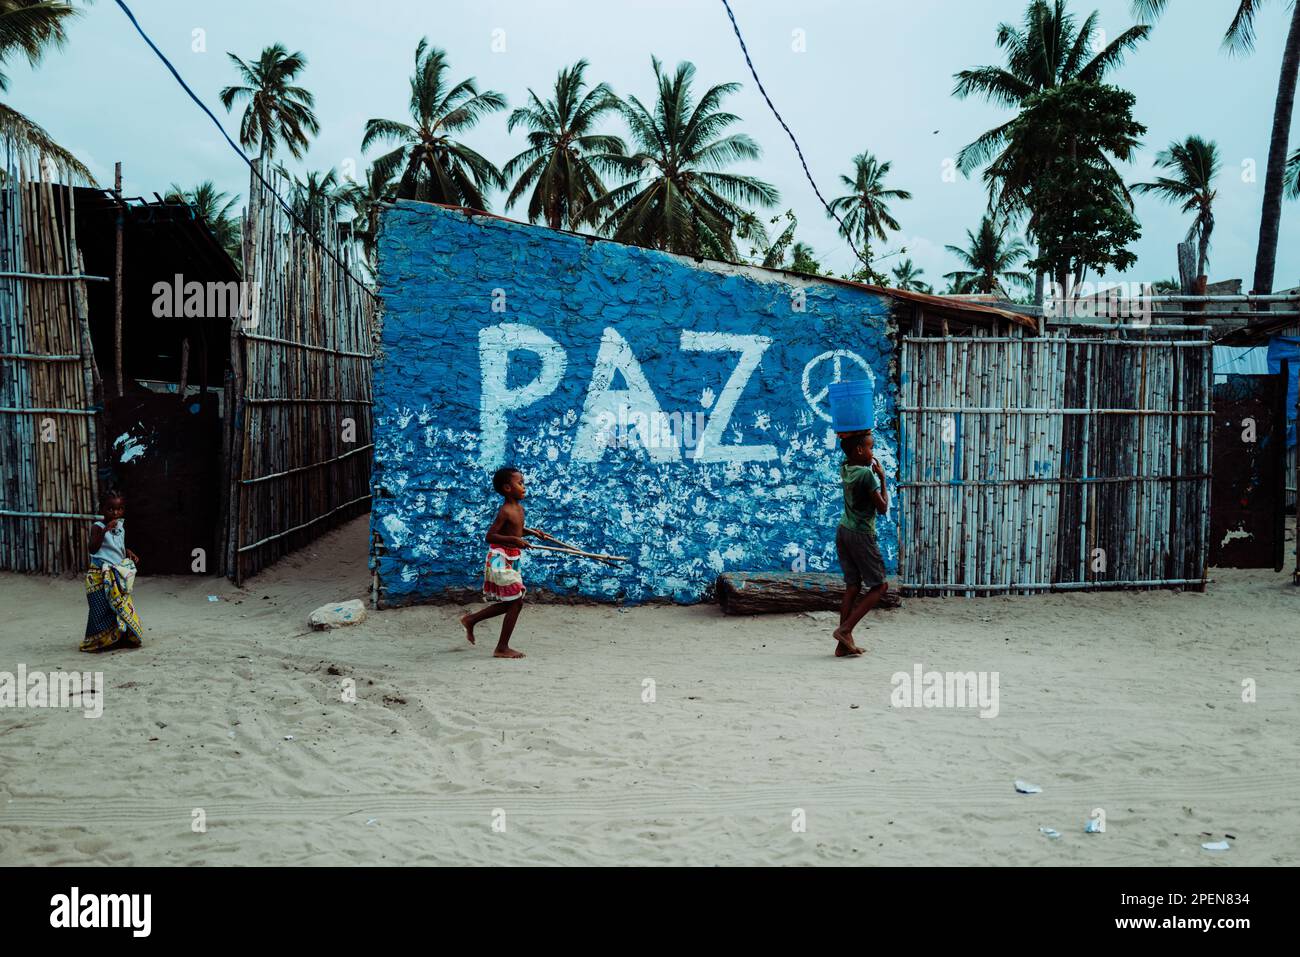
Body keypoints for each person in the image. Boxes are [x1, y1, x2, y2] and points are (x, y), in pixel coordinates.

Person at [460, 466, 534, 658]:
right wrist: (514, 540)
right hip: (500, 559)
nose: (524, 487)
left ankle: (472, 619)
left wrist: (533, 533)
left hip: (512, 557)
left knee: (513, 602)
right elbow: (490, 536)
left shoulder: (519, 508)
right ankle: (501, 647)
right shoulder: (506, 510)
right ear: (508, 488)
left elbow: (515, 531)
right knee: (516, 601)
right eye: (520, 483)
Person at [832, 431, 889, 657]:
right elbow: (883, 508)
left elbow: (848, 448)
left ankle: (842, 646)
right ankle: (845, 631)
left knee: (853, 586)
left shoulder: (845, 467)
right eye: (870, 447)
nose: (872, 452)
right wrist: (882, 478)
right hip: (861, 534)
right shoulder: (867, 476)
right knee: (880, 586)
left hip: (844, 531)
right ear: (858, 450)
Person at [81, 490, 144, 653]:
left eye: (120, 509)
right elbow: (93, 548)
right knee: (100, 608)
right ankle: (97, 642)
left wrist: (127, 552)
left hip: (116, 574)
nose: (116, 513)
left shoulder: (121, 526)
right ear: (102, 509)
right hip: (98, 575)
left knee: (119, 606)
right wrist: (104, 531)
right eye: (111, 509)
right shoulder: (98, 527)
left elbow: (117, 547)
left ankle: (121, 638)